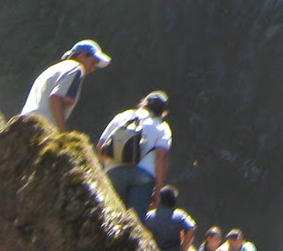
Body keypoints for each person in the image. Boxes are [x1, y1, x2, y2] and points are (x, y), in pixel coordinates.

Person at [97, 90, 172, 219]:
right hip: (143, 176)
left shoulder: (123, 116)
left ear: (145, 103)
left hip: (114, 170)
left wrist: (107, 168)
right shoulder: (162, 127)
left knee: (110, 217)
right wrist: (158, 190)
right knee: (134, 223)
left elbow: (100, 146)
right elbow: (162, 156)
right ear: (163, 111)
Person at [21, 39, 111, 130]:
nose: (92, 69)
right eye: (92, 63)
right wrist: (64, 133)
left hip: (24, 123)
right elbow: (56, 97)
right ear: (82, 55)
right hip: (41, 129)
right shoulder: (76, 68)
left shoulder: (55, 69)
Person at [145, 185, 196, 251]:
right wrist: (183, 248)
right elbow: (192, 228)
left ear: (160, 199)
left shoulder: (149, 216)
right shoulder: (179, 215)